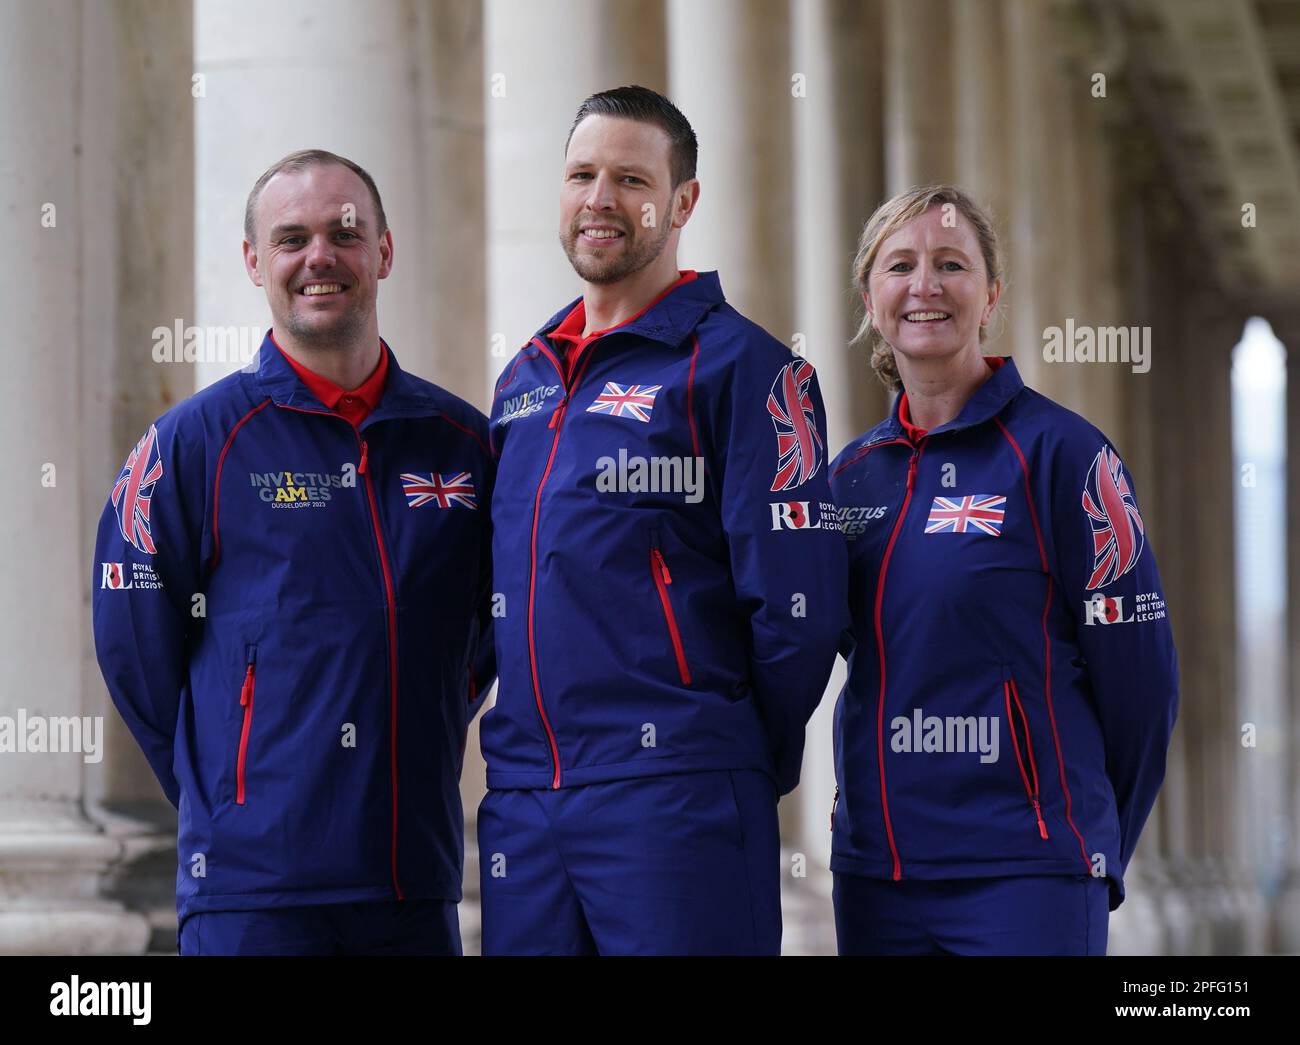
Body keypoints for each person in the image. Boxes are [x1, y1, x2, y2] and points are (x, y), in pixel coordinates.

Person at [92, 149, 495, 955]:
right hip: (253, 896)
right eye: (291, 238)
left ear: (383, 250)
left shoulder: (462, 444)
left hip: (411, 881)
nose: (320, 257)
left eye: (344, 233)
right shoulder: (193, 445)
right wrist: (230, 793)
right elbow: (134, 644)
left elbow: (486, 632)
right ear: (253, 262)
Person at [479, 85, 848, 955]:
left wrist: (718, 752)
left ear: (682, 202)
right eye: (581, 174)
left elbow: (799, 609)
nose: (600, 199)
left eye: (630, 178)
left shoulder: (749, 370)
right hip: (526, 805)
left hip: (676, 797)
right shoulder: (524, 383)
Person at [828, 184, 1179, 956]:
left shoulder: (1065, 456)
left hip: (1028, 879)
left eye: (951, 264)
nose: (925, 285)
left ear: (990, 295)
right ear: (869, 296)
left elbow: (1144, 687)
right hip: (878, 878)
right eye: (901, 266)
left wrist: (1082, 841)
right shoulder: (848, 478)